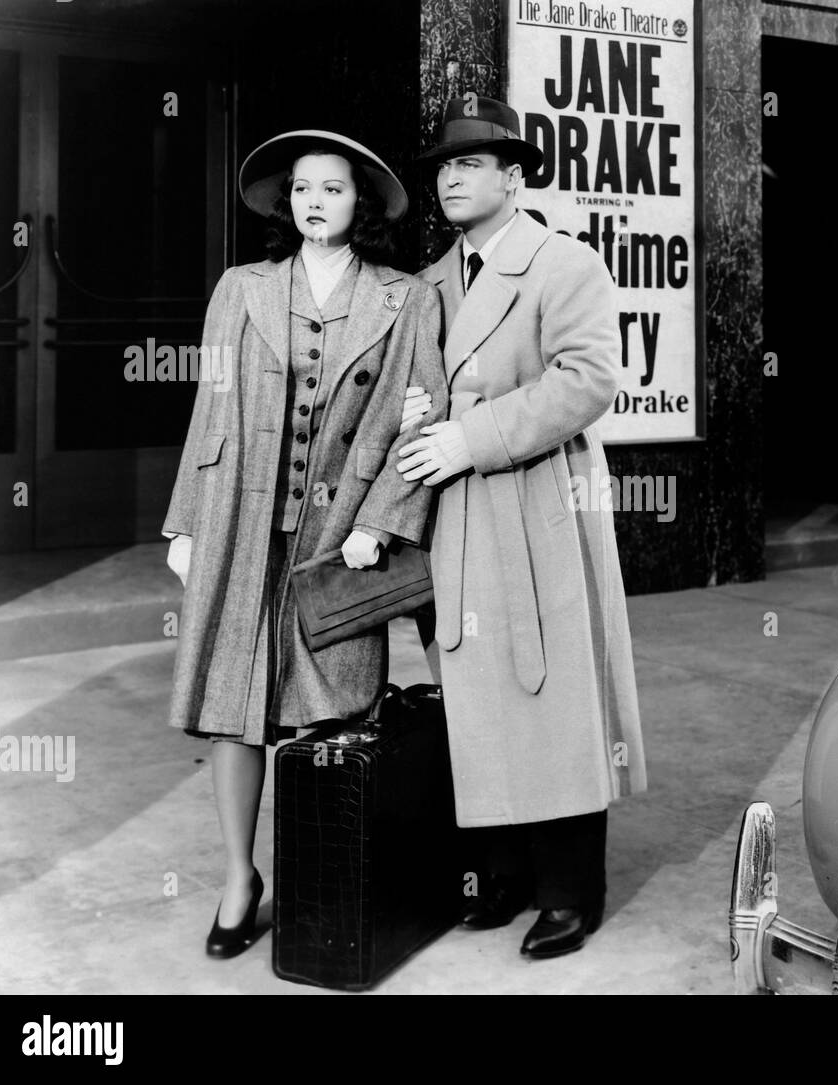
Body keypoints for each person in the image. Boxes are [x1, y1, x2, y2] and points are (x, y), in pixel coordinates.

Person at [162, 129, 447, 958]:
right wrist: (184, 521)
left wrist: (380, 521)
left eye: (332, 188)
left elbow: (419, 413)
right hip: (241, 522)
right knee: (235, 704)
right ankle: (239, 876)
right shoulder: (239, 289)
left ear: (361, 203)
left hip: (338, 535)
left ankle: (320, 870)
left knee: (332, 701)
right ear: (287, 204)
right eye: (301, 189)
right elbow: (209, 408)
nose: (315, 202)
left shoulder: (405, 299)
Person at [398, 96, 647, 959]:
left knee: (553, 688)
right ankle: (501, 875)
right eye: (444, 165)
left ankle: (571, 890)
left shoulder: (563, 263)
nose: (452, 178)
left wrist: (473, 432)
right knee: (473, 689)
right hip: (455, 511)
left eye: (472, 163)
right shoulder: (430, 283)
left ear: (515, 177)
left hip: (539, 496)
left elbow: (586, 382)